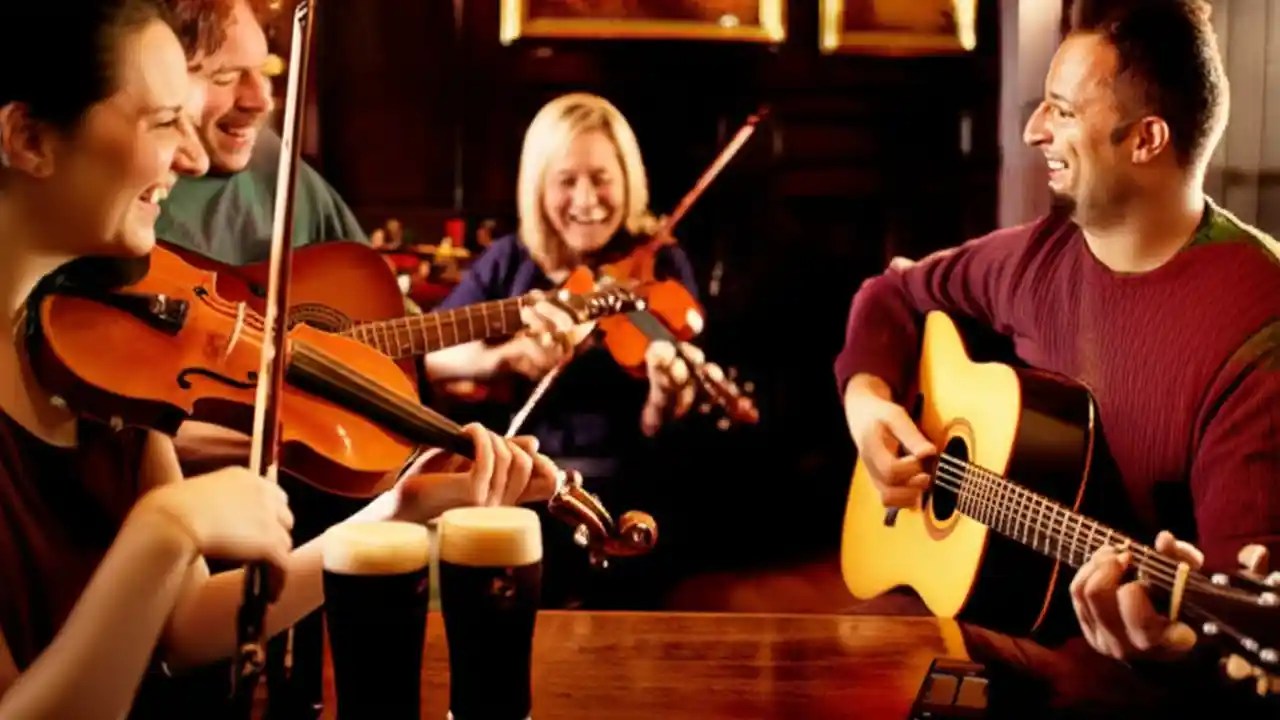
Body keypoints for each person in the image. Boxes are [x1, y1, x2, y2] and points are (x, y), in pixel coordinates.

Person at [0, 3, 556, 716]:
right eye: (163, 122)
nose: (193, 159)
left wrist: (397, 512)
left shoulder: (110, 338)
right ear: (28, 139)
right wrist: (164, 529)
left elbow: (182, 626)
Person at [836, 0, 1278, 677]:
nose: (1034, 129)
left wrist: (1171, 645)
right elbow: (889, 293)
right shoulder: (1037, 258)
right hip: (988, 638)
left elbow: (1236, 631)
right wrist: (868, 408)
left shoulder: (1257, 328)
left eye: (1063, 111)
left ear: (1146, 139)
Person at [424, 92, 714, 606]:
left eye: (601, 178)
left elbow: (662, 425)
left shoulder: (659, 266)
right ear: (539, 185)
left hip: (627, 485)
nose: (586, 199)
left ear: (627, 179)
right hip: (524, 483)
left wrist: (663, 394)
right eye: (566, 180)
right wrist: (505, 357)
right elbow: (434, 357)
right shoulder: (510, 261)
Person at [155, 0, 366, 265]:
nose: (261, 102)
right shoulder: (131, 192)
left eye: (263, 71)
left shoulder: (272, 162)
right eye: (225, 77)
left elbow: (366, 279)